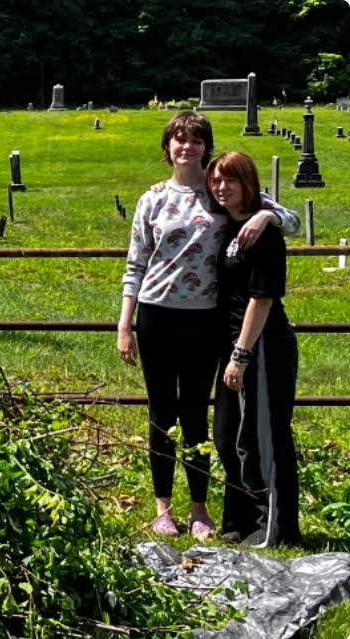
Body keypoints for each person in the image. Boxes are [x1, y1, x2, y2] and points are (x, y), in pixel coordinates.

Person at [117, 111, 299, 540]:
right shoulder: (152, 200)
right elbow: (135, 264)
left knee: (197, 413)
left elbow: (289, 219)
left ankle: (200, 509)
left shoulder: (218, 192)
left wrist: (266, 217)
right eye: (179, 140)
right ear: (168, 149)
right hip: (156, 314)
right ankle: (163, 507)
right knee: (161, 412)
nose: (187, 147)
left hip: (205, 320)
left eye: (196, 140)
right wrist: (125, 324)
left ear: (206, 148)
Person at [207, 151, 299, 548]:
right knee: (227, 436)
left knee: (263, 437)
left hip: (261, 348)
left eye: (231, 180)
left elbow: (261, 300)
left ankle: (275, 527)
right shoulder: (229, 225)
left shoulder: (264, 234)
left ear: (249, 183)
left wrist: (241, 356)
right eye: (216, 181)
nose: (222, 187)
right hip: (232, 346)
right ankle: (240, 519)